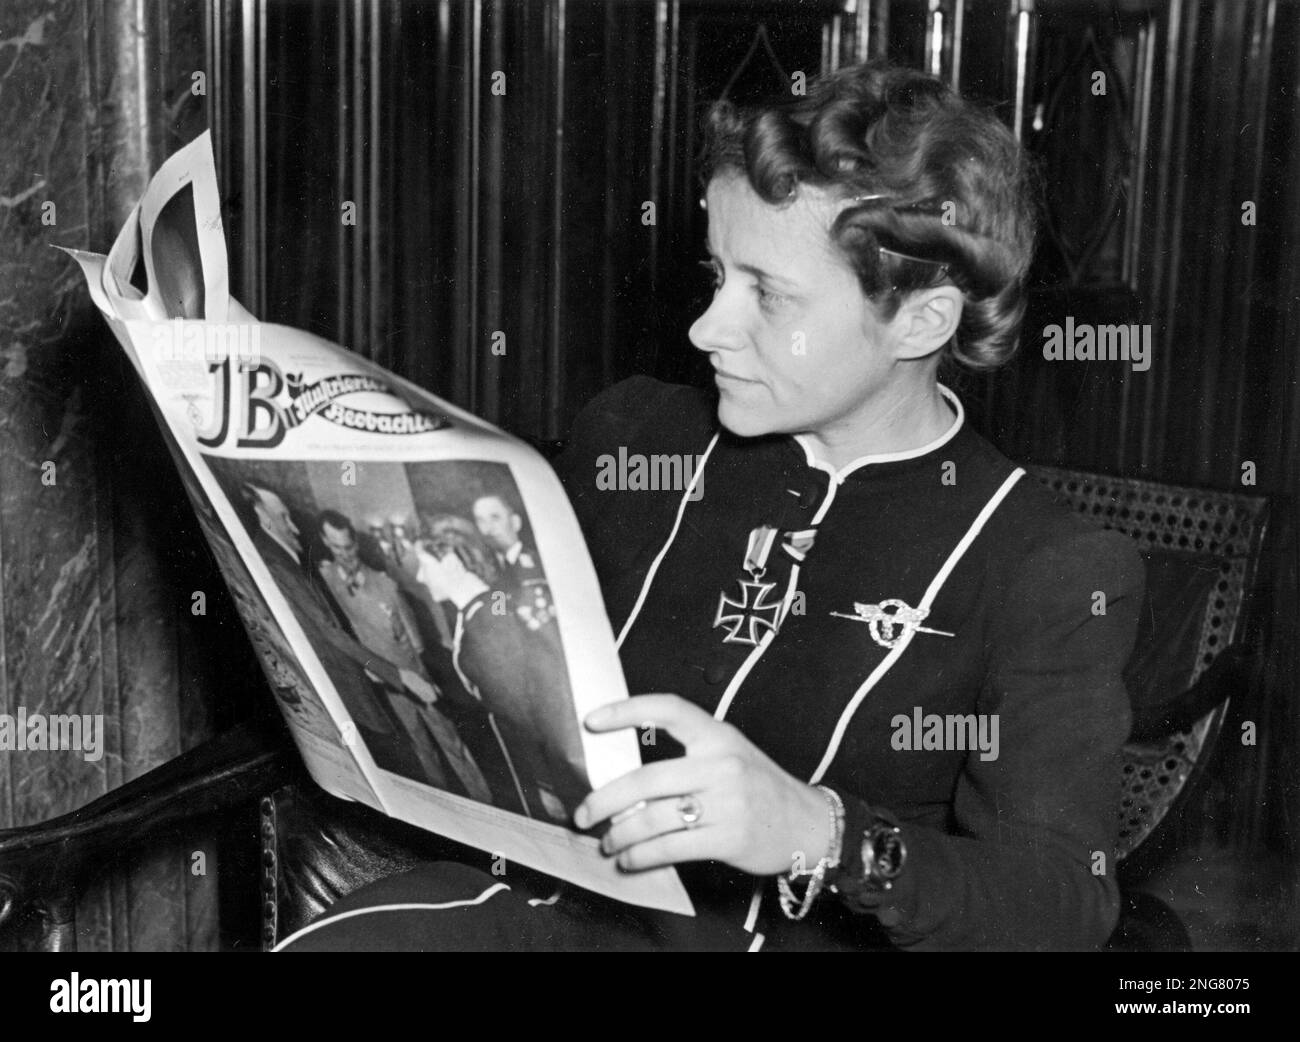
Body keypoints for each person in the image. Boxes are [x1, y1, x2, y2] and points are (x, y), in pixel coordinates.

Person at [278, 60, 1142, 952]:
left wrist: (823, 833)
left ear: (922, 321)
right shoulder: (637, 436)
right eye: (717, 274)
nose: (706, 327)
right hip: (540, 914)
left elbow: (1059, 899)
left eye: (767, 293)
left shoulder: (1042, 566)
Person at [315, 509, 492, 802]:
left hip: (414, 675)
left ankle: (486, 802)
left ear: (356, 544)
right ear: (324, 542)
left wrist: (423, 676)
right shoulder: (325, 581)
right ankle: (442, 808)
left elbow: (416, 641)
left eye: (348, 547)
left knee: (452, 744)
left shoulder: (385, 581)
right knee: (421, 749)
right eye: (336, 547)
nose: (344, 554)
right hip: (381, 682)